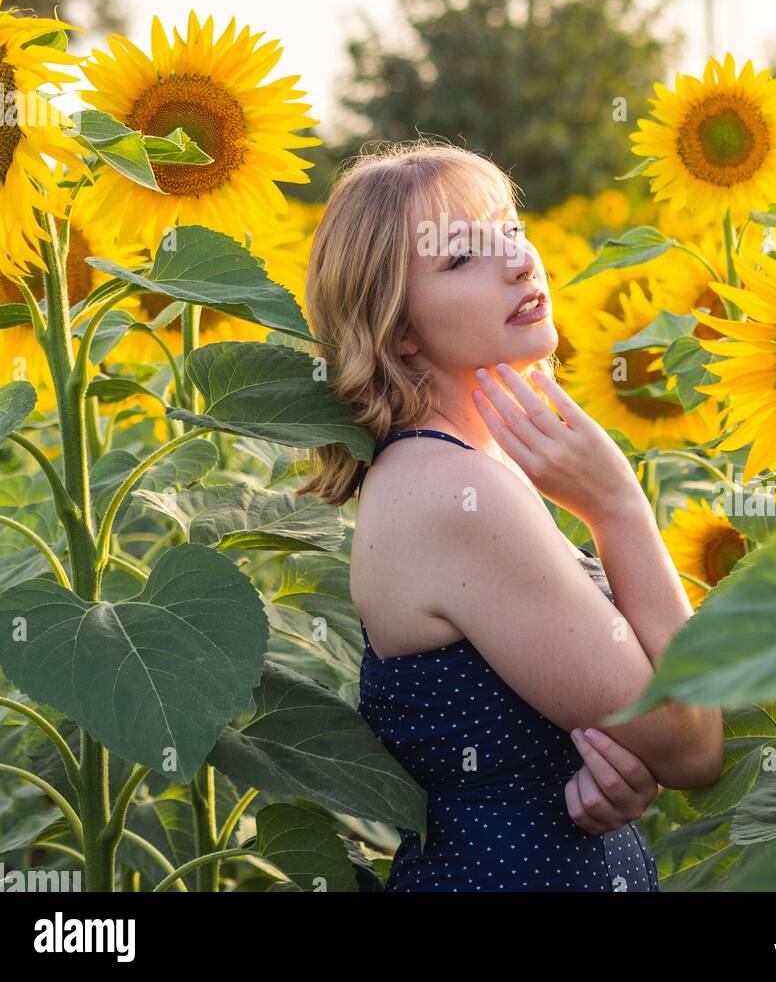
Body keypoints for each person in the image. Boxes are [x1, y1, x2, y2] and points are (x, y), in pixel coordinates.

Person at [296, 139, 724, 891]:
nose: (521, 263)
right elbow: (692, 746)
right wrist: (617, 507)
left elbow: (618, 735)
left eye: (511, 231)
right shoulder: (453, 493)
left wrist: (622, 776)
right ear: (398, 328)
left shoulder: (460, 470)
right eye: (461, 257)